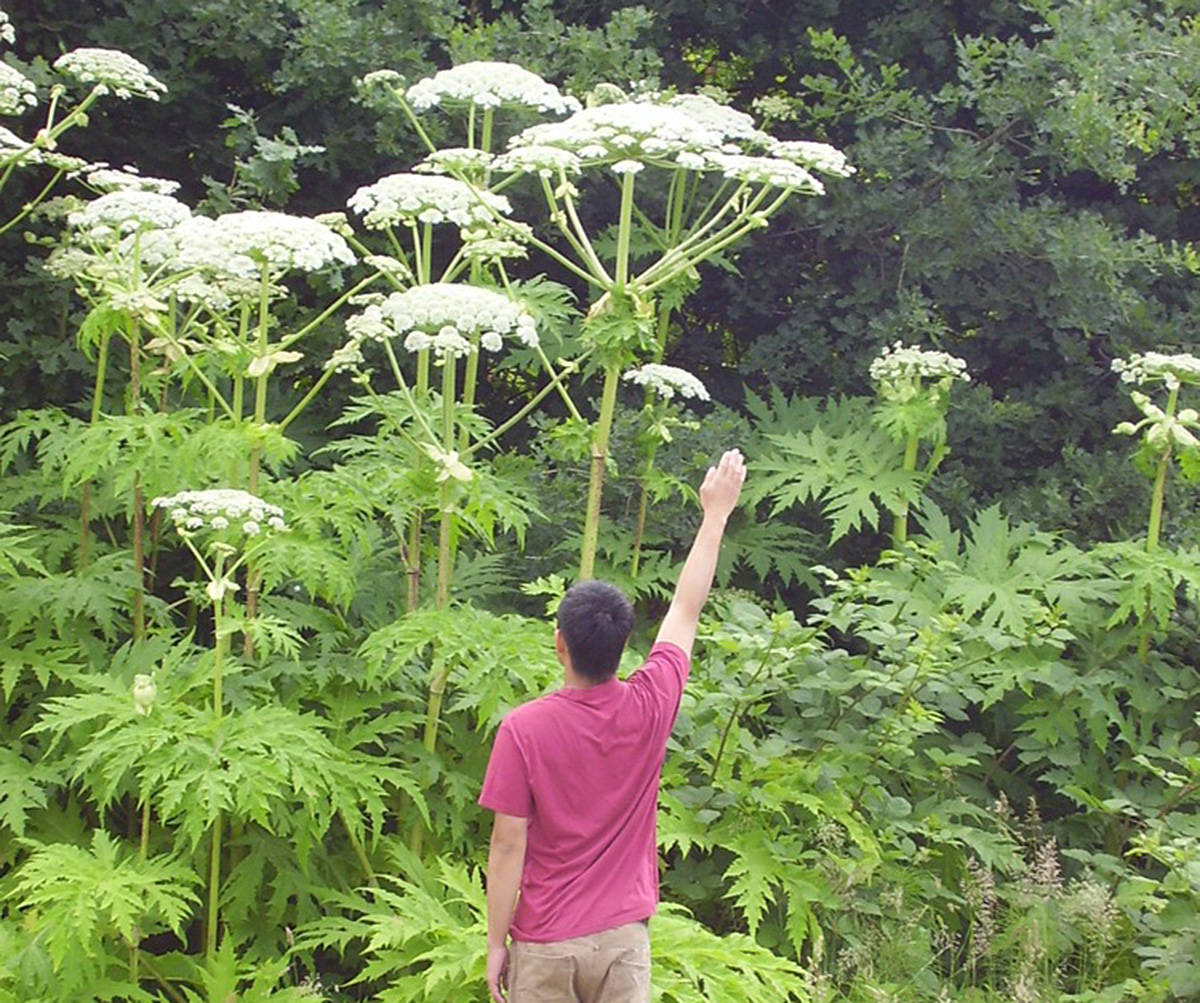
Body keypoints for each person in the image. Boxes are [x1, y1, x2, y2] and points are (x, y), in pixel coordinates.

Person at [479, 448, 747, 1003]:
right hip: (624, 940)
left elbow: (508, 847)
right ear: (625, 645)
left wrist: (494, 943)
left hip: (546, 940)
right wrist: (715, 515)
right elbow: (686, 610)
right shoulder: (650, 704)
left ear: (560, 644)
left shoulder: (523, 730)